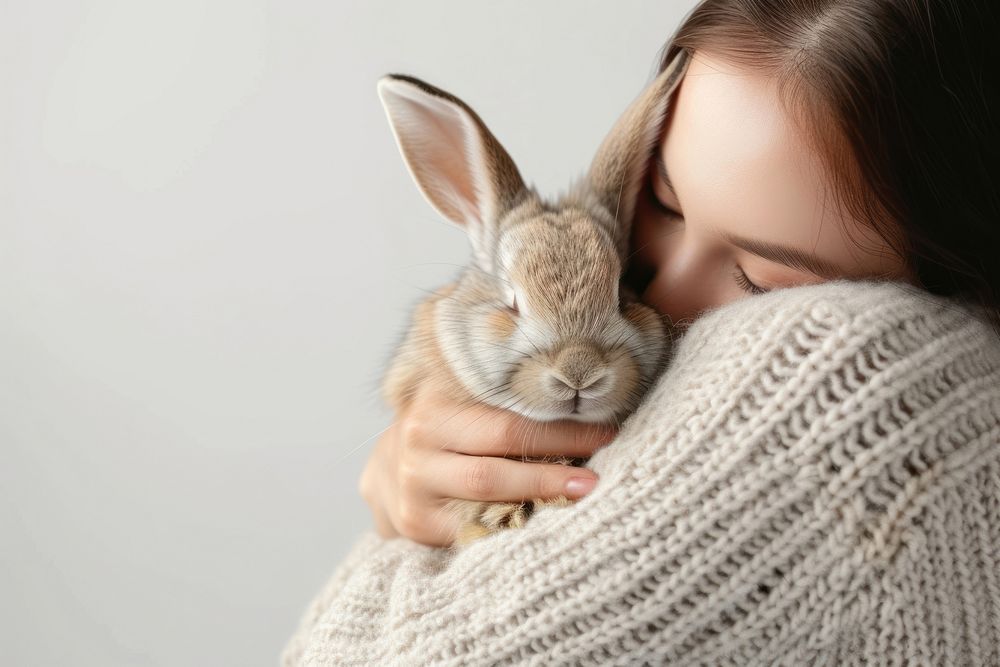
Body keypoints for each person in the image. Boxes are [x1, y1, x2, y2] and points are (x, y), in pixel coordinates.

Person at [285, 1, 999, 664]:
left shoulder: (858, 396)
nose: (658, 292)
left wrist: (391, 548)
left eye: (763, 282)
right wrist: (425, 484)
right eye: (662, 203)